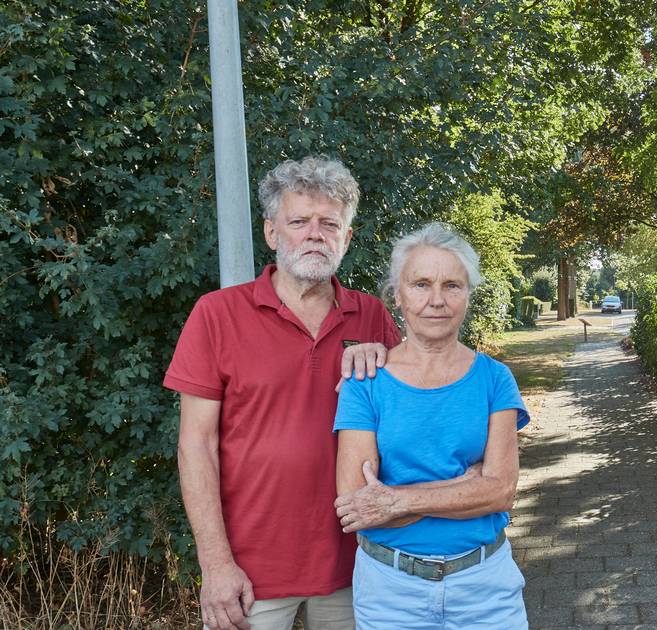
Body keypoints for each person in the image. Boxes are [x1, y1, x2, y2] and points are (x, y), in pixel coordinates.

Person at [165, 156, 409, 629]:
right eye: (299, 221)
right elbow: (195, 447)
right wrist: (215, 565)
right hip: (251, 573)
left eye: (329, 224)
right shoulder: (216, 315)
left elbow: (410, 421)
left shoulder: (373, 317)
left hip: (356, 563)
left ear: (346, 238)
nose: (315, 234)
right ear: (272, 233)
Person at [333, 222, 530, 629]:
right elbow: (357, 504)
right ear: (398, 294)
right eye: (421, 284)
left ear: (468, 295)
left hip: (485, 587)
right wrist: (464, 486)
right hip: (389, 590)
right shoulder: (365, 382)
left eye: (452, 285)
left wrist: (396, 500)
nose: (436, 300)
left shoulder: (494, 379)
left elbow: (500, 492)